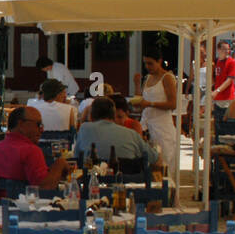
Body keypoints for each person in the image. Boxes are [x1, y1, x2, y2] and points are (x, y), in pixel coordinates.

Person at [0, 105, 69, 201]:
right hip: (24, 213)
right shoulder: (31, 151)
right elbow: (45, 190)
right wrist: (60, 164)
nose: (42, 130)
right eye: (38, 124)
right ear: (21, 125)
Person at [133, 52, 179, 183]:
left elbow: (173, 104)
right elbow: (140, 101)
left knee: (165, 164)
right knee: (149, 164)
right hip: (146, 124)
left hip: (162, 126)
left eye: (150, 63)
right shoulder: (147, 78)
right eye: (146, 63)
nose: (148, 66)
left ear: (159, 61)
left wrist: (150, 104)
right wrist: (136, 84)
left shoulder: (167, 77)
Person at [75, 96, 159, 167]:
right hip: (127, 182)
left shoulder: (84, 129)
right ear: (113, 115)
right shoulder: (131, 134)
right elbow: (154, 158)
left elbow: (77, 157)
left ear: (92, 116)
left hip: (92, 182)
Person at [212, 41, 235, 114]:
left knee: (226, 122)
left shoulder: (232, 62)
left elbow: (229, 80)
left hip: (227, 98)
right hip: (217, 98)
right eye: (224, 49)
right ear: (218, 50)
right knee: (217, 121)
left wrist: (217, 91)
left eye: (228, 49)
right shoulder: (216, 61)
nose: (227, 51)